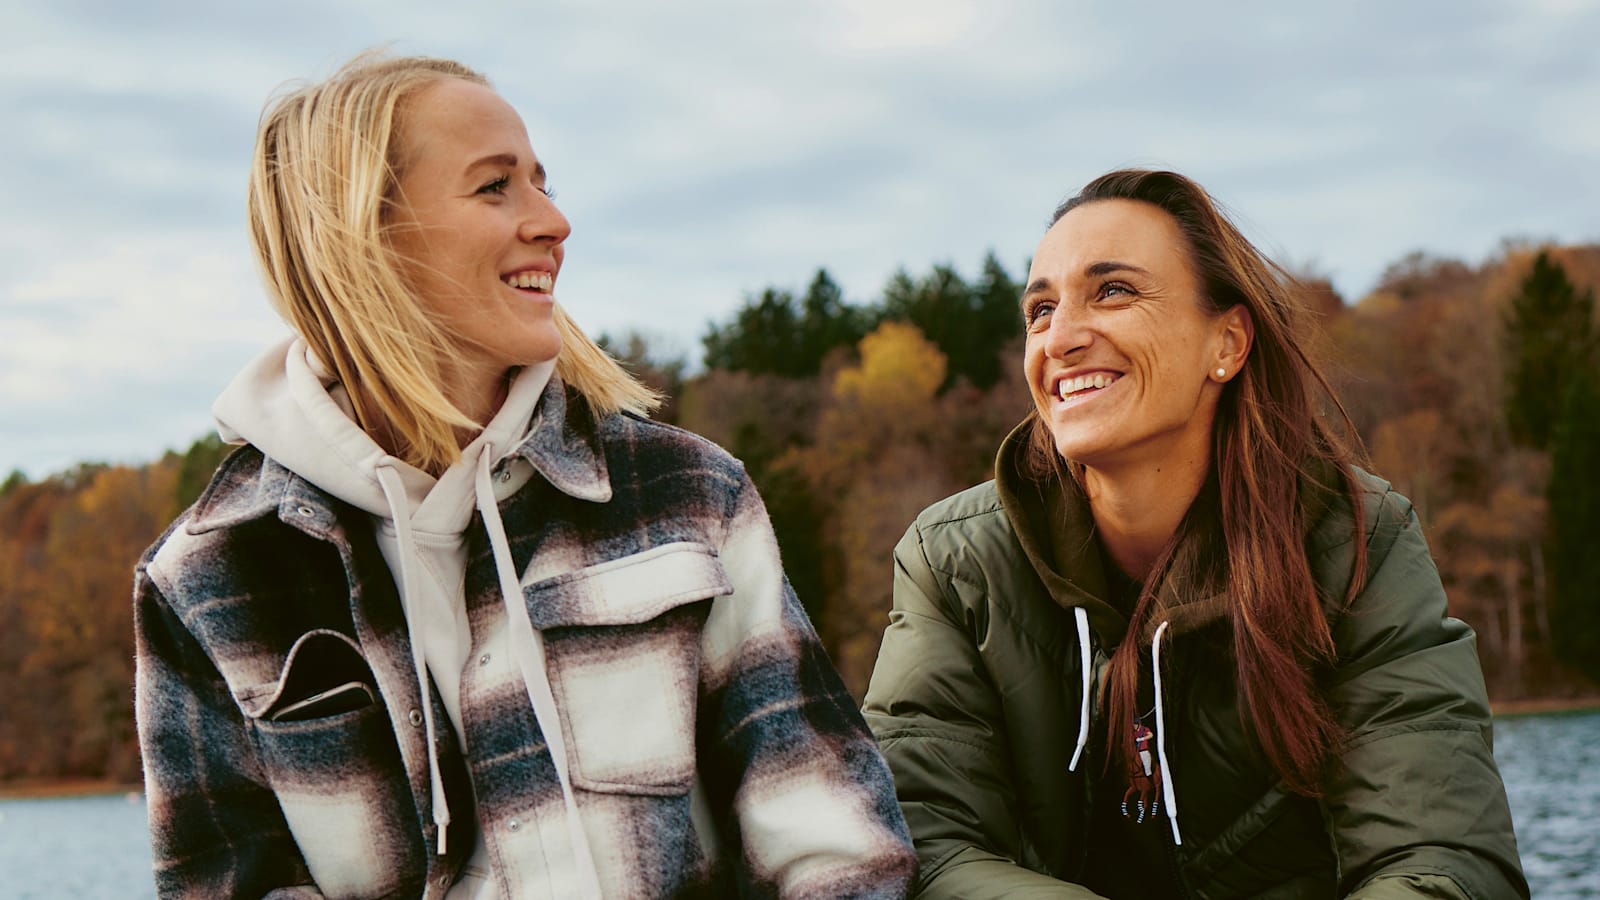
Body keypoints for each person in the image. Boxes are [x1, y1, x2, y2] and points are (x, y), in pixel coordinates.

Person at [133, 52, 915, 899]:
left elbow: (835, 844)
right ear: (365, 236)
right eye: (495, 186)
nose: (554, 221)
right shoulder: (206, 580)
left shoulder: (689, 494)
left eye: (543, 182)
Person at [862, 169, 1528, 898]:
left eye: (1112, 291)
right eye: (1040, 310)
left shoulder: (1358, 539)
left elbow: (1443, 863)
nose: (1062, 338)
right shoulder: (956, 562)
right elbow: (921, 843)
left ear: (1228, 342)